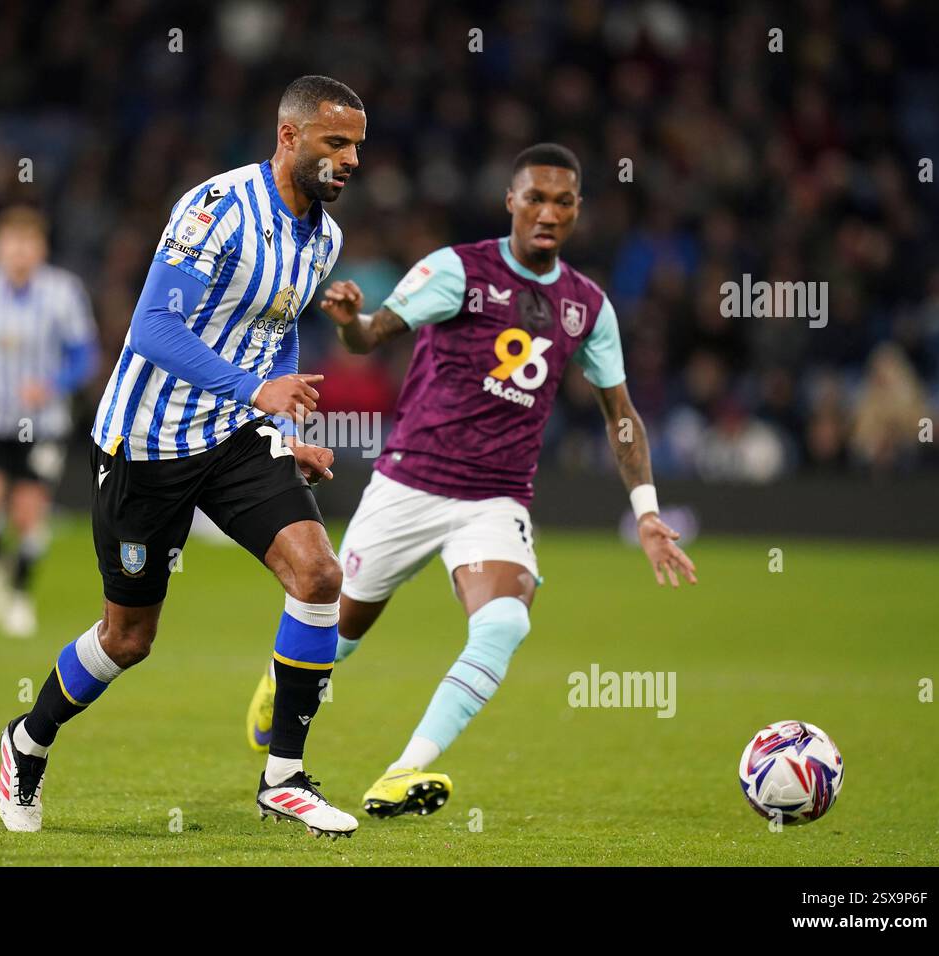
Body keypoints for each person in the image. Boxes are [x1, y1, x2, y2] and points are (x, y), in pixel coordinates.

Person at [246, 143, 698, 818]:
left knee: (505, 623)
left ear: (577, 211)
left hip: (497, 498)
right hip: (410, 484)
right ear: (510, 202)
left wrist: (647, 512)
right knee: (337, 632)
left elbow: (621, 414)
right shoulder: (458, 270)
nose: (548, 212)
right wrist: (348, 322)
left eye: (563, 201)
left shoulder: (588, 307)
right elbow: (372, 337)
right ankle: (283, 684)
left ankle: (403, 771)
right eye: (535, 198)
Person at [0, 76, 367, 838]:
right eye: (337, 141)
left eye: (359, 144)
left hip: (233, 435)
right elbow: (152, 330)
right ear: (290, 136)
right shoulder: (216, 209)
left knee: (320, 574)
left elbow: (277, 330)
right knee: (128, 639)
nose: (351, 158)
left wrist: (284, 422)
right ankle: (27, 741)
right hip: (148, 442)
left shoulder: (324, 239)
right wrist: (255, 388)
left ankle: (284, 777)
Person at [0, 206, 98, 637]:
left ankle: (19, 594)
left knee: (27, 515)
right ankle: (1, 567)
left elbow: (86, 356)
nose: (19, 253)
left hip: (42, 423)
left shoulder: (63, 292)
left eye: (27, 244)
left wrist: (54, 383)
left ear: (41, 249)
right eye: (11, 244)